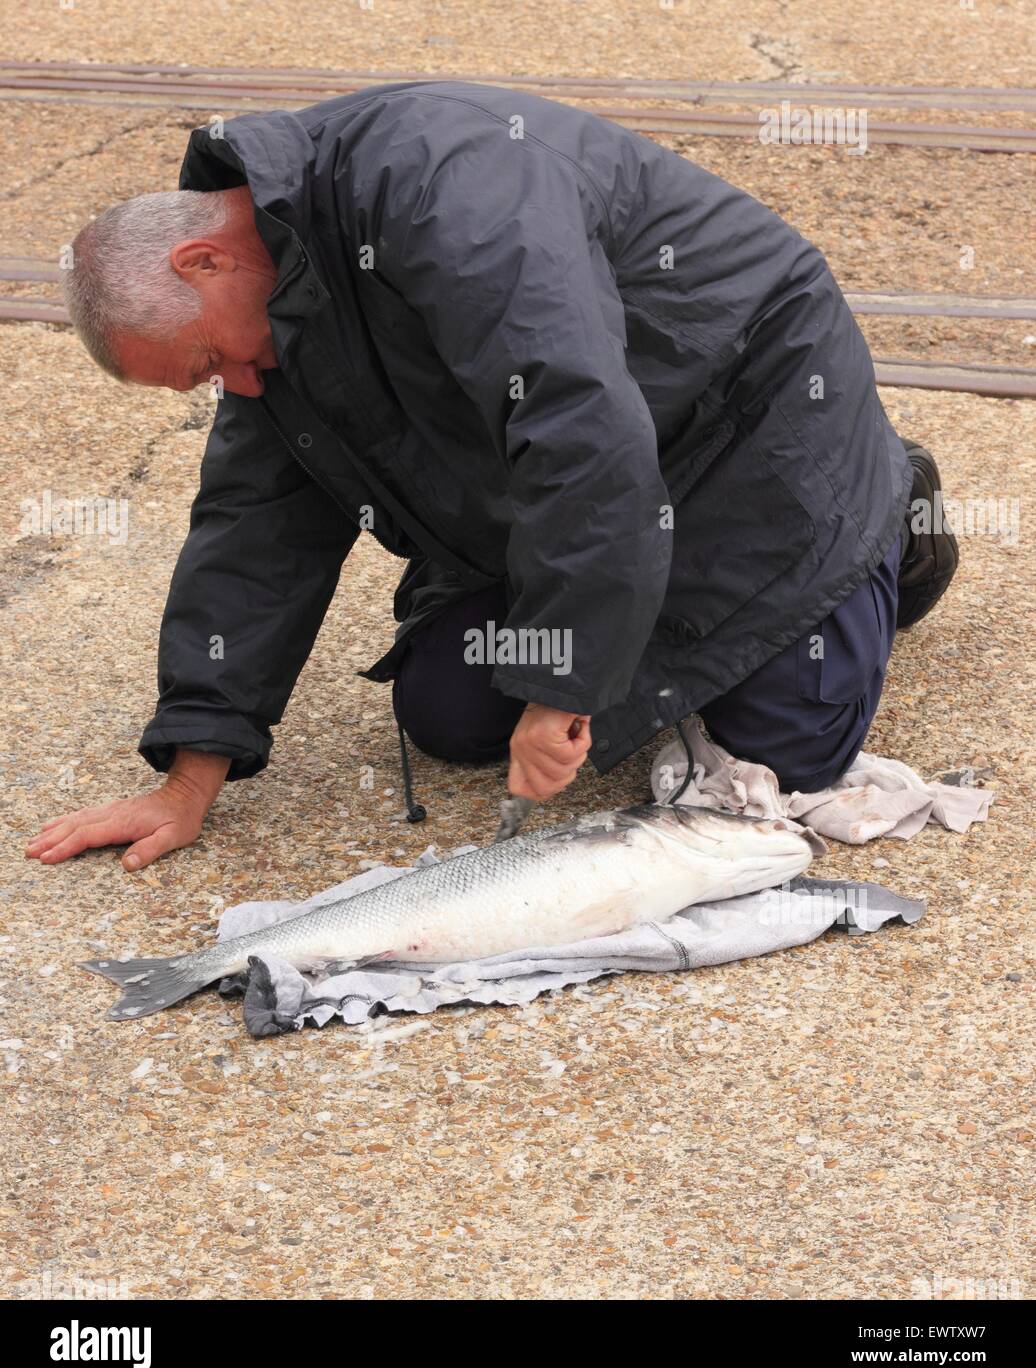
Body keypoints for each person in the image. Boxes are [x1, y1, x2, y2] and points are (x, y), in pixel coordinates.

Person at [27, 81, 956, 872]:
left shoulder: (451, 188)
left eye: (205, 365)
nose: (228, 387)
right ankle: (633, 602)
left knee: (789, 750)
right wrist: (191, 776)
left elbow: (579, 428)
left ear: (203, 260)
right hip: (576, 472)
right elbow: (254, 522)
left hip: (750, 424)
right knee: (454, 713)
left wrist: (563, 683)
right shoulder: (268, 298)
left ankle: (888, 511)